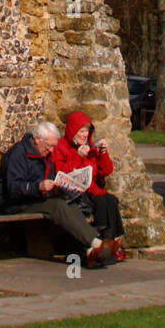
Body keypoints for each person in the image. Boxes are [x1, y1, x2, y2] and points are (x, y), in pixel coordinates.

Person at [0, 120, 116, 267]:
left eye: (53, 146)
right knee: (58, 207)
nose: (52, 150)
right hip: (16, 204)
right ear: (38, 139)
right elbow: (13, 188)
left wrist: (61, 186)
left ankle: (90, 250)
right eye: (49, 146)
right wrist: (38, 186)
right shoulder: (17, 154)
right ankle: (96, 243)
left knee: (69, 204)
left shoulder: (44, 154)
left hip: (36, 199)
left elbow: (51, 176)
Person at [51, 111, 128, 261]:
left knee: (110, 200)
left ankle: (111, 242)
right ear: (73, 131)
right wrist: (78, 157)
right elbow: (62, 174)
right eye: (81, 131)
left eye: (87, 131)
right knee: (100, 202)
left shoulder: (90, 147)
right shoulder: (62, 147)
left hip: (90, 188)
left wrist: (103, 153)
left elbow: (106, 170)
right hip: (73, 191)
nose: (84, 135)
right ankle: (100, 244)